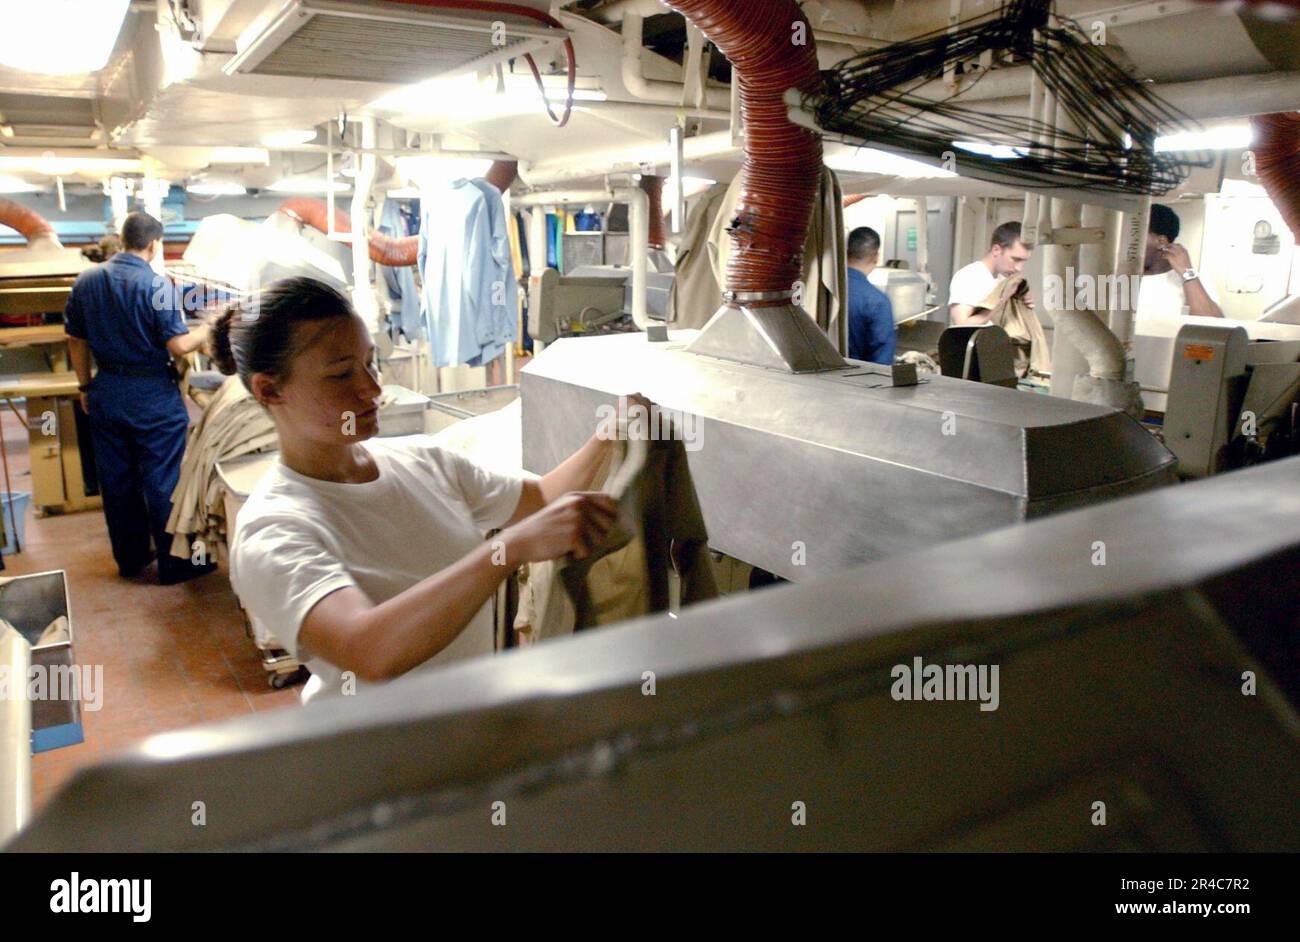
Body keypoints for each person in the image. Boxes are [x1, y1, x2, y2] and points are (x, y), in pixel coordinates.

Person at [219, 277, 624, 703]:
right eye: (340, 374)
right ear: (270, 389)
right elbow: (368, 650)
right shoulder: (274, 530)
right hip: (376, 760)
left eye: (370, 364)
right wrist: (509, 550)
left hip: (462, 741)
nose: (372, 389)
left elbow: (540, 499)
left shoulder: (425, 462)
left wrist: (612, 432)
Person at [65, 212, 214, 584]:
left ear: (122, 240)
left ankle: (131, 559)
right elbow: (179, 346)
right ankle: (176, 564)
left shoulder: (86, 280)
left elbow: (75, 339)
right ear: (154, 244)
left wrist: (85, 387)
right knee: (163, 480)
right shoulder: (156, 284)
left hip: (106, 391)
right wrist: (211, 326)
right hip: (150, 396)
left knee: (117, 481)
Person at [1136, 204, 1223, 319]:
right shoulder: (1118, 276)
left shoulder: (1190, 280)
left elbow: (1213, 326)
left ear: (1161, 241)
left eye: (1136, 236)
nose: (1128, 243)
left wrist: (1187, 272)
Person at [948, 222, 1035, 326]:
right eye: (1016, 259)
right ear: (996, 250)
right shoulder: (969, 276)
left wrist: (1020, 302)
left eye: (1023, 261)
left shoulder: (1002, 281)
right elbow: (962, 325)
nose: (1019, 268)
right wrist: (1002, 300)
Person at [845, 226, 896, 365]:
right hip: (858, 383)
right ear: (876, 256)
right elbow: (882, 361)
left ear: (846, 252)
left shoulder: (823, 292)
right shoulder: (877, 301)